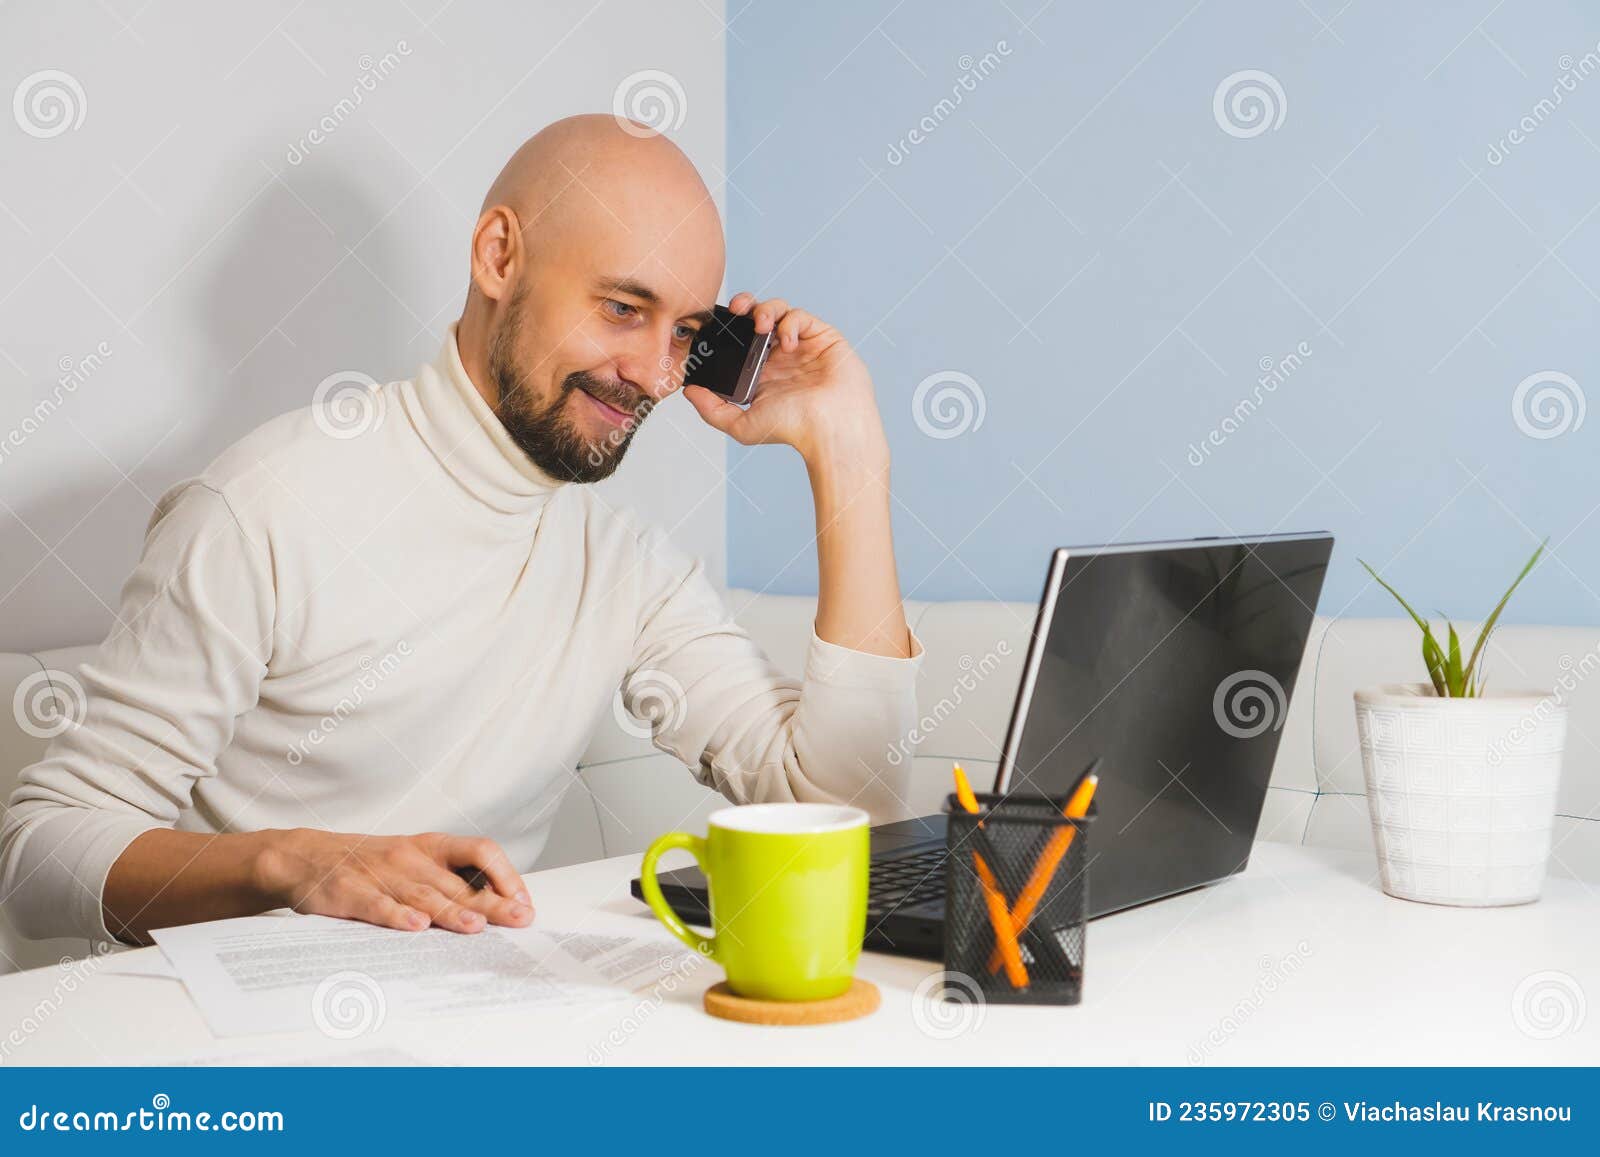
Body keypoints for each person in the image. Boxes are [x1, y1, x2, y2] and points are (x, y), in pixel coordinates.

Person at [0, 114, 921, 948]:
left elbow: (846, 809)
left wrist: (846, 450)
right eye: (621, 308)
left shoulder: (626, 568)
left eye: (684, 332)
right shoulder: (261, 508)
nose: (652, 373)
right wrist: (293, 863)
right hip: (243, 1045)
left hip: (471, 1033)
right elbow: (40, 855)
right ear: (497, 255)